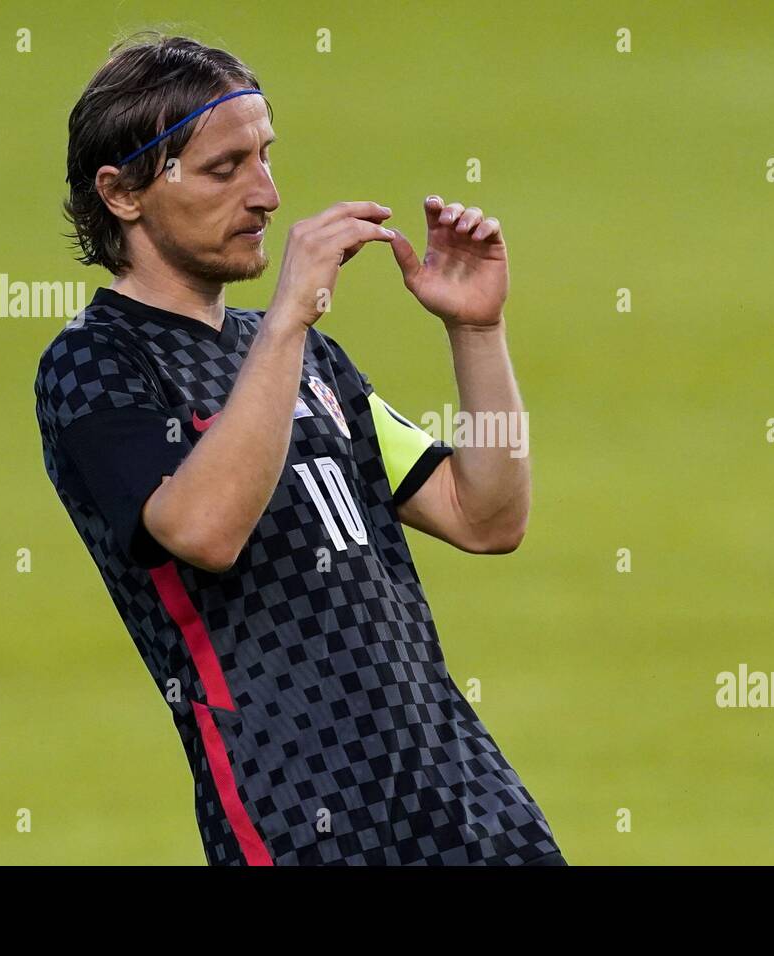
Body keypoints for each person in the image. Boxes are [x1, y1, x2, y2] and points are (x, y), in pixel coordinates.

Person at [33, 33, 565, 865]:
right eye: (224, 168)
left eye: (266, 158)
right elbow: (204, 529)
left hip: (462, 794)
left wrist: (477, 330)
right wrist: (286, 319)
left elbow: (484, 515)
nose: (268, 196)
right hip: (295, 813)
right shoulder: (96, 364)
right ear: (123, 192)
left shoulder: (308, 360)